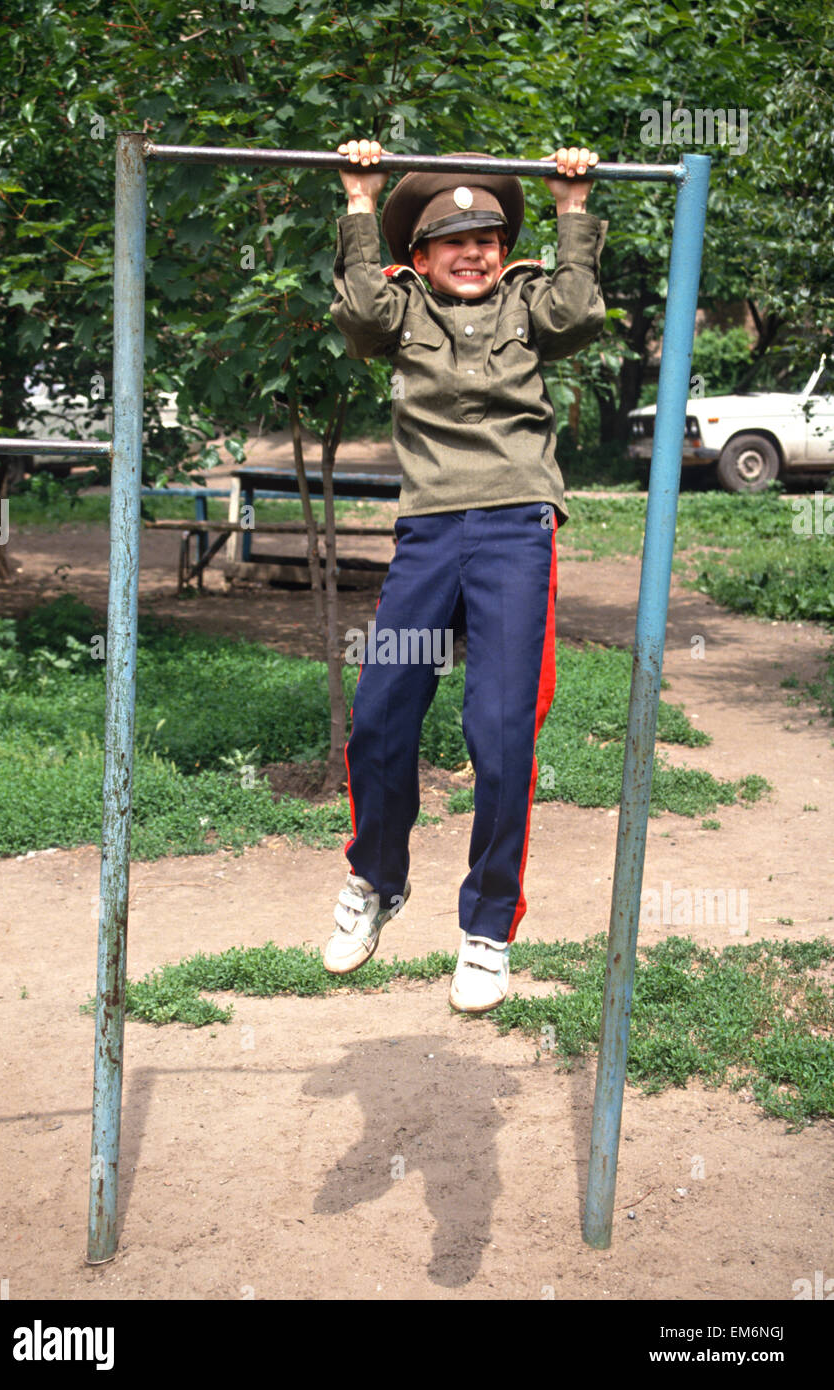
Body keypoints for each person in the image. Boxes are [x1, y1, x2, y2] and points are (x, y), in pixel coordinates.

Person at [323, 137, 607, 1012]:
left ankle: (485, 926)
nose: (474, 250)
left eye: (487, 235)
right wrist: (361, 201)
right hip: (430, 535)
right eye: (453, 240)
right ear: (419, 256)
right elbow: (360, 314)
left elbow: (579, 311)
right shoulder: (402, 309)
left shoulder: (529, 300)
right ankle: (379, 878)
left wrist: (570, 209)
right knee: (378, 714)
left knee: (500, 733)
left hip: (516, 530)